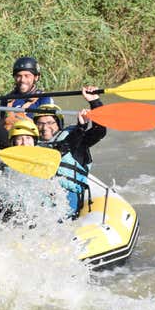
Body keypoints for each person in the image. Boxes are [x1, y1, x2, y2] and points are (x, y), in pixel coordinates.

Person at [32, 86, 107, 217]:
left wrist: (95, 102)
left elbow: (100, 131)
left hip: (67, 197)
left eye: (50, 122)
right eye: (40, 123)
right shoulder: (31, 144)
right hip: (39, 197)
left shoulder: (78, 140)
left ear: (59, 124)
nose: (45, 128)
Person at [0, 56, 54, 131]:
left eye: (27, 76)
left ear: (36, 77)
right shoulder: (6, 99)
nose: (22, 80)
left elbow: (46, 129)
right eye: (19, 76)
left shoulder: (44, 98)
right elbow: (1, 128)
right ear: (14, 77)